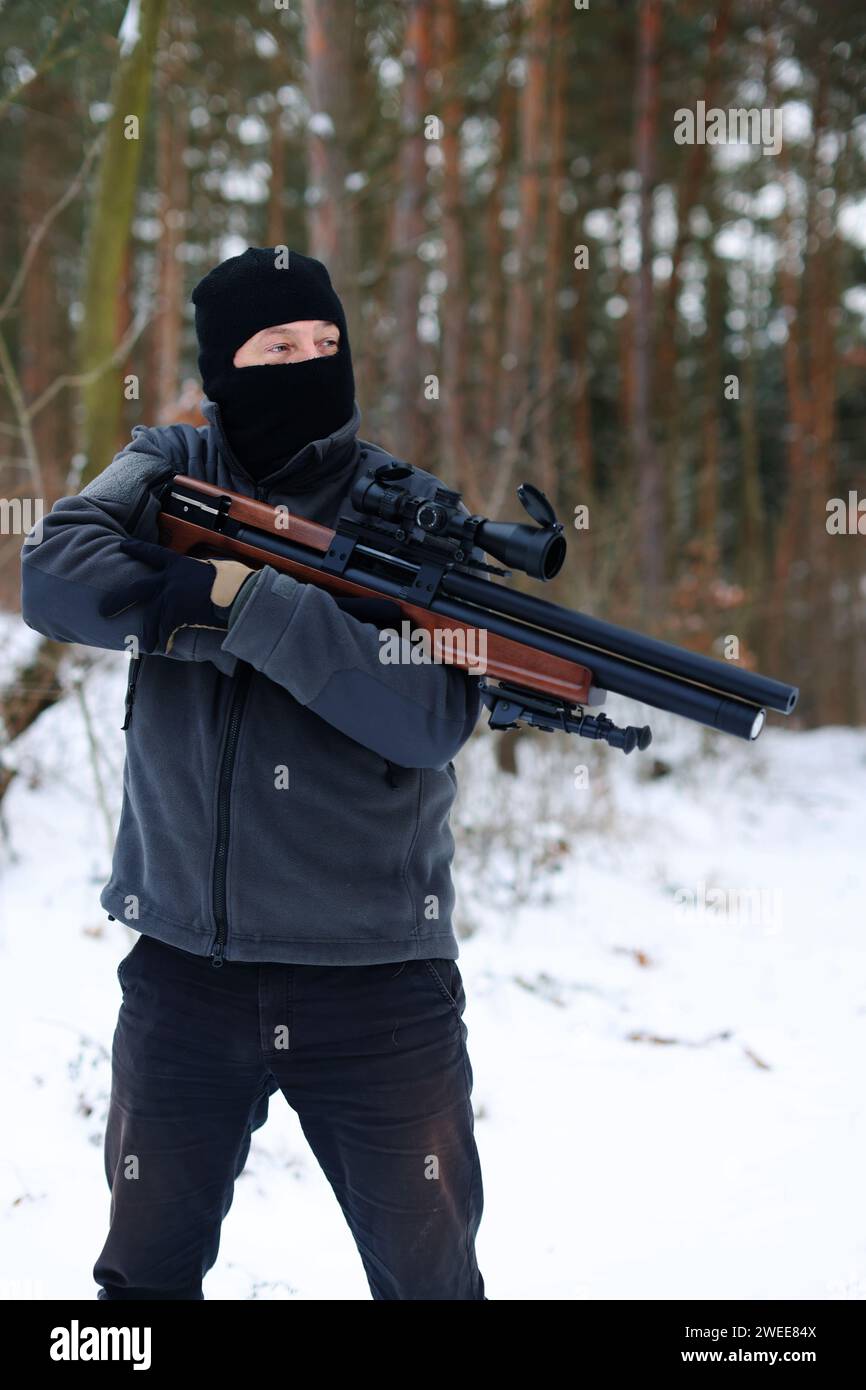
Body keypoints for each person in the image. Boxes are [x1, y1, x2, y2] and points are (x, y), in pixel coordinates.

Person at [20, 245, 486, 1301]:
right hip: (184, 972)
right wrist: (195, 596)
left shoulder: (407, 514)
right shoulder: (164, 466)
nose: (310, 363)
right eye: (278, 346)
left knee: (432, 1284)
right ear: (225, 367)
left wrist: (244, 606)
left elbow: (425, 716)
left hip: (376, 980)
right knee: (136, 1290)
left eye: (326, 343)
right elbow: (54, 570)